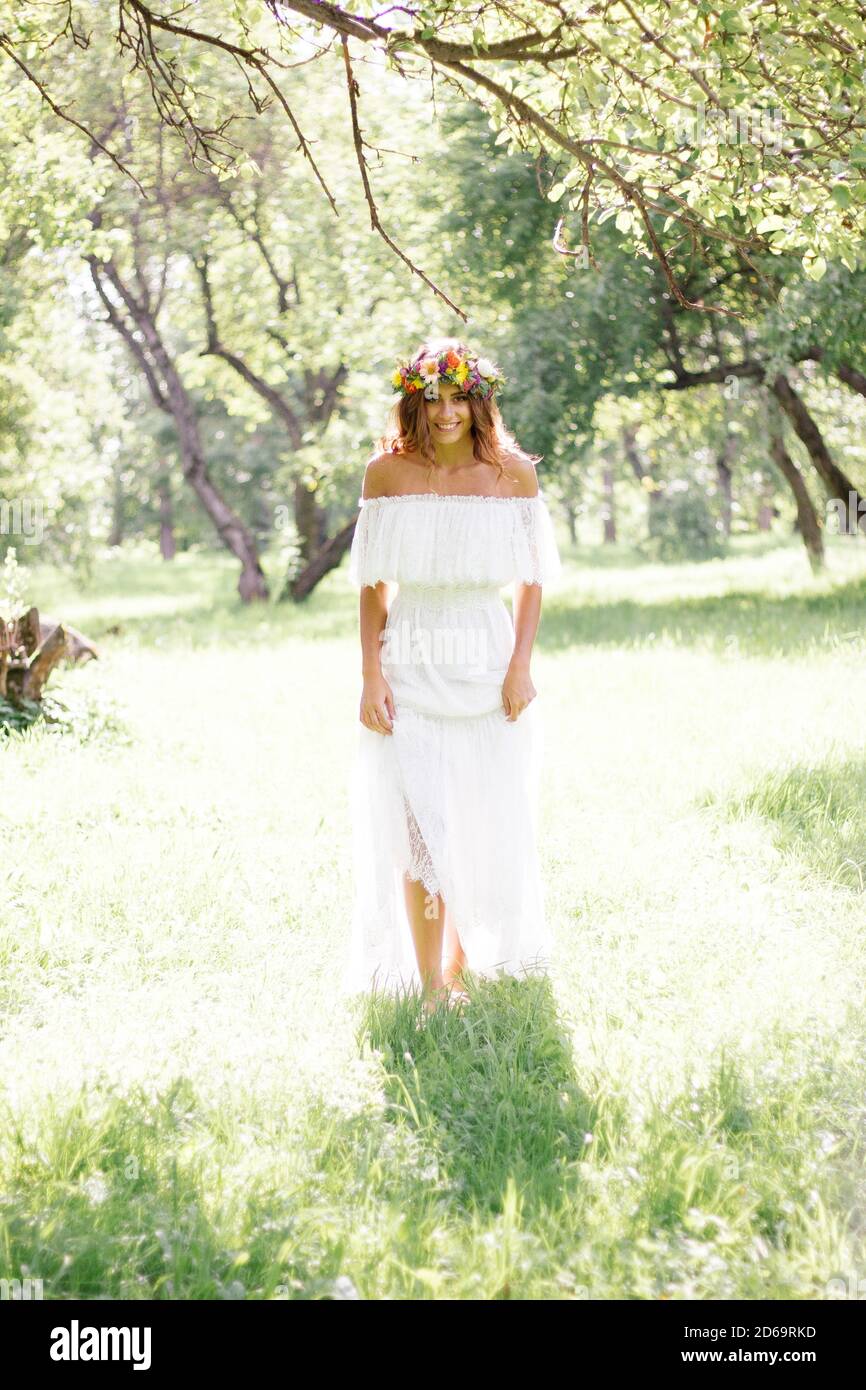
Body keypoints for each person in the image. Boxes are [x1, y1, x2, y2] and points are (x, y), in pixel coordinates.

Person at [340, 337, 562, 1017]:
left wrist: (521, 665)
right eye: (432, 398)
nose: (445, 412)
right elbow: (373, 585)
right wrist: (371, 674)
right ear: (414, 400)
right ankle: (433, 982)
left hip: (485, 660)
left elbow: (531, 583)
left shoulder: (514, 476)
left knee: (472, 821)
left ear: (479, 399)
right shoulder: (387, 474)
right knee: (418, 824)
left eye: (458, 396)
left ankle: (460, 967)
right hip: (411, 655)